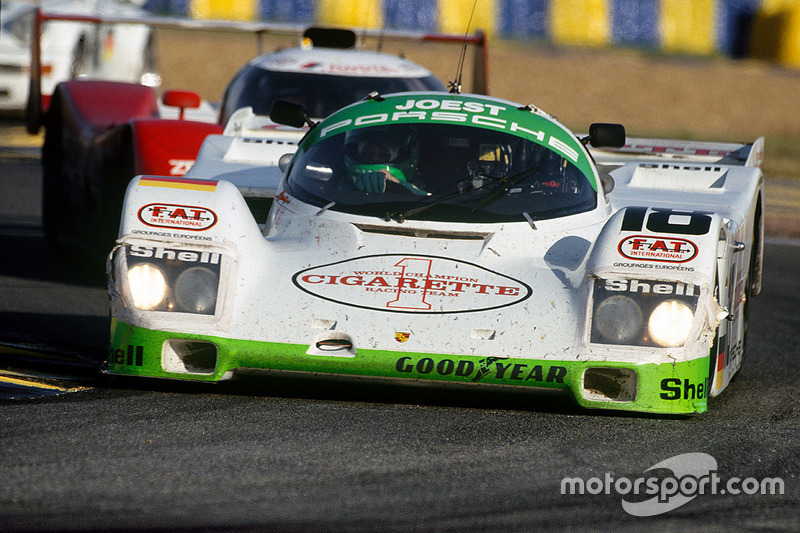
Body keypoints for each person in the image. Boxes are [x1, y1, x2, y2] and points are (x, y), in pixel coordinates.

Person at [343, 126, 427, 196]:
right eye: (367, 153)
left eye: (383, 155)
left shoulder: (419, 189)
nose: (374, 159)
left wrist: (402, 186)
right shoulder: (340, 188)